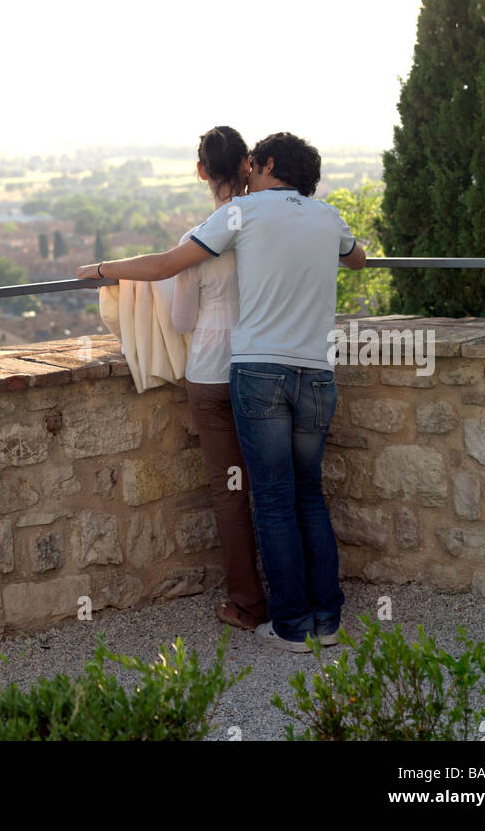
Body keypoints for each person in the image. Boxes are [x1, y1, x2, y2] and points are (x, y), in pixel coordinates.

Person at [78, 131, 366, 654]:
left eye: (255, 164)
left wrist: (102, 270)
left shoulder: (245, 215)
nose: (248, 172)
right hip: (318, 374)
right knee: (310, 497)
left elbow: (168, 265)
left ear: (269, 164)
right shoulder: (327, 217)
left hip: (260, 371)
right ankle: (328, 620)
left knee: (273, 502)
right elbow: (360, 260)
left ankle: (290, 626)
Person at [170, 126, 266, 632]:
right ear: (247, 164)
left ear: (203, 171)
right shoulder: (262, 233)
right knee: (274, 484)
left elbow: (182, 322)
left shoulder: (196, 241)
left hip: (210, 374)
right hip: (260, 366)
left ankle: (247, 604)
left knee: (230, 493)